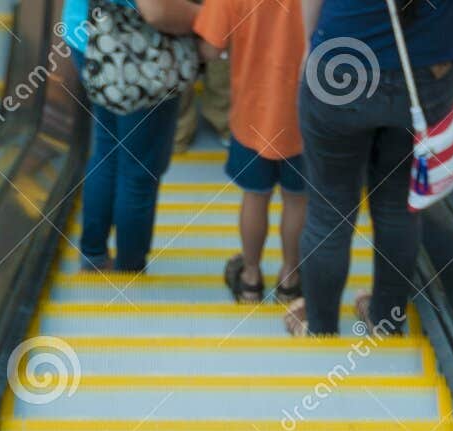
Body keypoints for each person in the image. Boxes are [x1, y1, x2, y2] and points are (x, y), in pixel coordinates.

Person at [294, 0, 453, 334]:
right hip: (427, 71)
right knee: (399, 208)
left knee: (329, 212)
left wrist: (307, 45)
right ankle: (385, 322)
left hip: (341, 60)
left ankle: (321, 330)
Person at [65, 0, 202, 272]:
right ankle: (129, 269)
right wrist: (215, 18)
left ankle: (93, 255)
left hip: (85, 33)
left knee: (107, 150)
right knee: (139, 169)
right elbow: (156, 10)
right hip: (140, 48)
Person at [196, 0, 307, 304]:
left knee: (255, 196)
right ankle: (290, 280)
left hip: (252, 115)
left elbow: (209, 48)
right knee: (297, 200)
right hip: (306, 118)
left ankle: (250, 279)